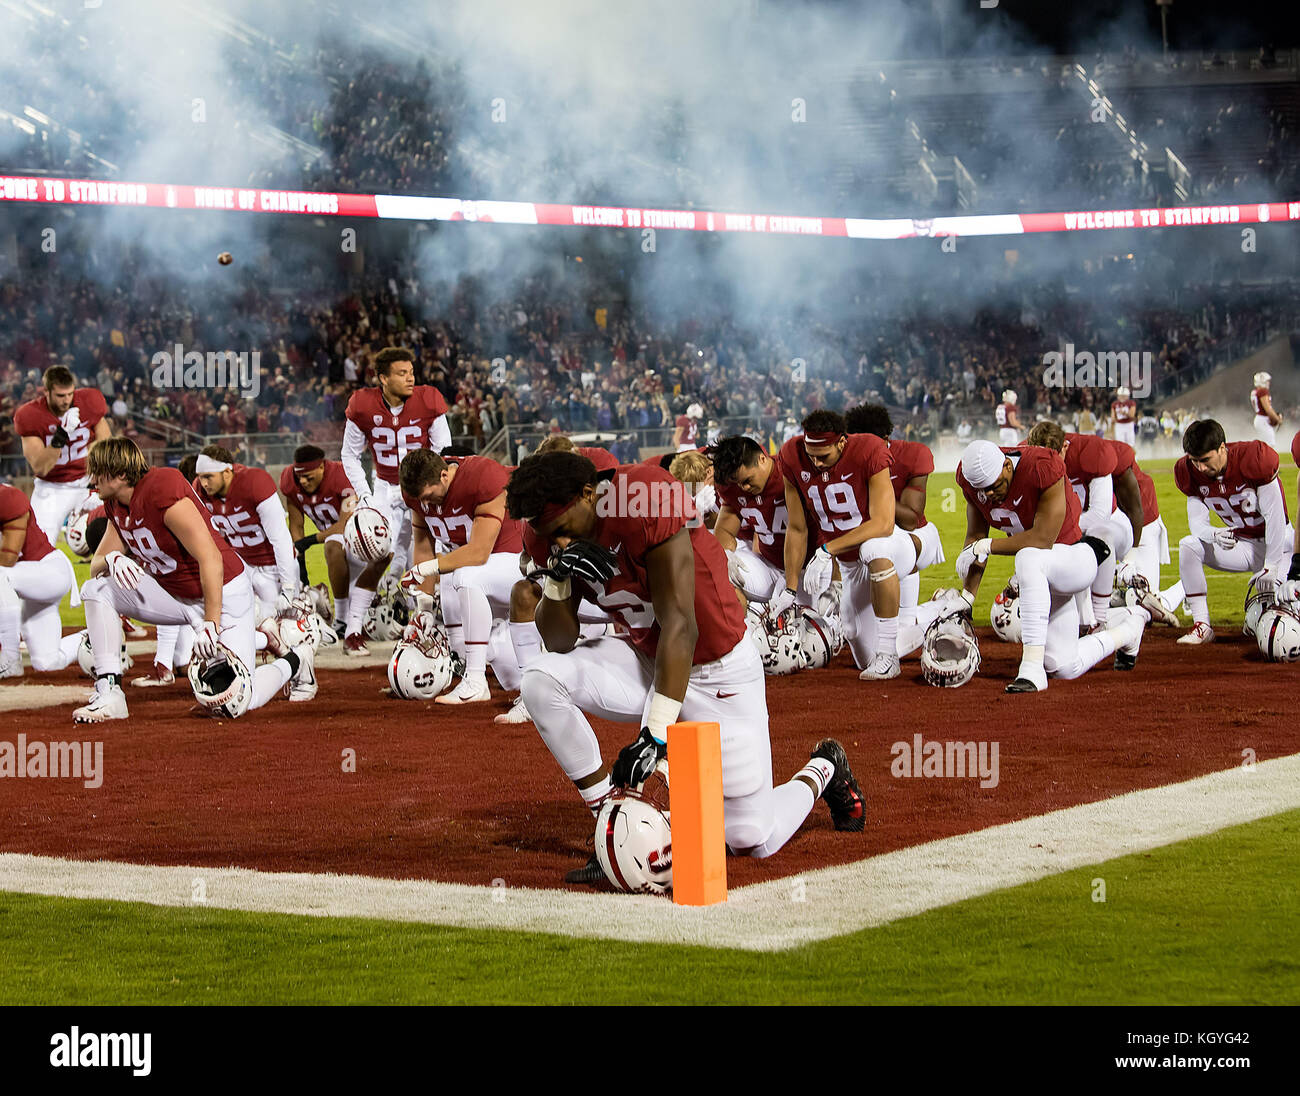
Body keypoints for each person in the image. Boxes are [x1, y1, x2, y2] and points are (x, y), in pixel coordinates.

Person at [506, 451, 865, 885]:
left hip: (716, 668)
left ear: (589, 495)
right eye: (550, 537)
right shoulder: (546, 532)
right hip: (644, 660)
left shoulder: (641, 498)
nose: (557, 543)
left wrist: (654, 734)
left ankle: (823, 769)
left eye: (563, 532)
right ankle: (607, 820)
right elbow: (559, 640)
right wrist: (558, 580)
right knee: (541, 680)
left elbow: (681, 624)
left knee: (751, 838)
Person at [73, 438, 315, 723]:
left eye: (98, 472)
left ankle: (297, 658)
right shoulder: (116, 503)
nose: (92, 480)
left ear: (121, 474)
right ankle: (110, 692)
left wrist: (211, 622)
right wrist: (113, 559)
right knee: (96, 589)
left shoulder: (159, 491)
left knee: (237, 701)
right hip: (174, 596)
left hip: (223, 595)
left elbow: (210, 558)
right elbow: (95, 567)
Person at [954, 439, 1148, 693]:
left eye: (994, 487)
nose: (989, 495)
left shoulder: (1041, 467)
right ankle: (1129, 629)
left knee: (1028, 556)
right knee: (1063, 666)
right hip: (1044, 572)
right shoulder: (973, 481)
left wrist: (987, 546)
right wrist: (967, 597)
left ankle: (1031, 669)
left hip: (1075, 557)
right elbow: (975, 538)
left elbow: (1042, 539)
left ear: (1007, 466)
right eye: (982, 491)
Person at [780, 410, 912, 681]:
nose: (815, 463)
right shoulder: (792, 456)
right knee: (860, 647)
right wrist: (789, 588)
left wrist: (828, 549)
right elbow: (796, 527)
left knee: (872, 548)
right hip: (850, 563)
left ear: (841, 442)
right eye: (811, 455)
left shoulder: (869, 449)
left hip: (888, 546)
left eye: (823, 456)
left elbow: (883, 523)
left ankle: (889, 656)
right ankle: (937, 614)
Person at [341, 346, 451, 646]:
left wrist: (426, 485)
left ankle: (426, 625)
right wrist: (364, 495)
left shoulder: (429, 398)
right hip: (385, 488)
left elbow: (445, 448)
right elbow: (349, 455)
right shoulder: (363, 404)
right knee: (380, 555)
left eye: (412, 372)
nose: (411, 378)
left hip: (420, 491)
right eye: (402, 374)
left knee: (427, 557)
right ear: (383, 379)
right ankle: (352, 629)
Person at [397, 449, 524, 704]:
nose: (427, 505)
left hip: (516, 565)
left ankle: (475, 679)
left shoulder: (482, 477)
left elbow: (478, 552)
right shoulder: (417, 495)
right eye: (421, 500)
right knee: (511, 678)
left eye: (429, 497)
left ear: (444, 475)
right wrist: (424, 606)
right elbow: (423, 545)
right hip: (481, 576)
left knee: (463, 574)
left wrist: (429, 568)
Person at [1173, 420, 1292, 645]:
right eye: (1194, 461)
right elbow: (1197, 525)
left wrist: (1272, 565)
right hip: (1242, 545)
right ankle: (1202, 625)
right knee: (1189, 545)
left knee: (1282, 623)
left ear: (1221, 448)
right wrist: (1214, 535)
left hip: (1278, 545)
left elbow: (1275, 517)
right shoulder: (1189, 472)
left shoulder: (1253, 459)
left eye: (1205, 460)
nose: (1200, 467)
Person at [844, 403, 945, 647]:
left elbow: (910, 518)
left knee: (892, 538)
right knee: (853, 631)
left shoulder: (913, 454)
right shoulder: (844, 460)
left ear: (886, 439)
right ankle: (937, 608)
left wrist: (872, 490)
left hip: (916, 537)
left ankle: (931, 612)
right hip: (873, 541)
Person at [192, 445, 298, 622]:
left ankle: (311, 601)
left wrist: (288, 586)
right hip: (241, 565)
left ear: (226, 472)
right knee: (233, 622)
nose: (203, 483)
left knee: (280, 628)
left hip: (272, 567)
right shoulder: (201, 490)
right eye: (200, 477)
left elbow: (280, 537)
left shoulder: (254, 482)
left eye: (208, 476)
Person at [13, 365, 113, 544]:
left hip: (88, 480)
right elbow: (40, 467)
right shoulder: (30, 415)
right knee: (37, 546)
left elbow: (106, 445)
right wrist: (61, 434)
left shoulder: (89, 401)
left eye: (70, 394)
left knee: (119, 531)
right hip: (53, 487)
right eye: (60, 396)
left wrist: (96, 484)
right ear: (46, 392)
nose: (66, 400)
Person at [280, 444, 364, 644]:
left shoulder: (342, 475)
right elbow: (296, 525)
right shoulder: (289, 481)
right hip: (334, 537)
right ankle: (342, 619)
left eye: (308, 476)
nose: (303, 481)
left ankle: (345, 616)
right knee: (333, 546)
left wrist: (310, 541)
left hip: (360, 533)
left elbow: (345, 524)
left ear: (322, 468)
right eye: (299, 476)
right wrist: (298, 558)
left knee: (333, 546)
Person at [0, 484, 84, 678]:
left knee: (0, 574)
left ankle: (10, 659)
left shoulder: (7, 497)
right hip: (28, 585)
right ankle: (92, 638)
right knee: (48, 662)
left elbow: (8, 558)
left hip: (48, 572)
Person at [1251, 372, 1283, 448]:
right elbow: (1268, 409)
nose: (1268, 383)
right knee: (1270, 445)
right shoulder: (1263, 391)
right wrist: (1277, 419)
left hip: (1259, 418)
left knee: (1265, 445)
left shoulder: (1255, 391)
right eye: (1267, 381)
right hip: (1263, 420)